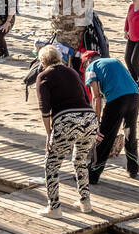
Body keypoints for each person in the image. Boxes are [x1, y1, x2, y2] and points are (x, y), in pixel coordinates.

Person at [35, 45, 97, 214]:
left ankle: (54, 207)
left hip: (66, 121)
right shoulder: (72, 72)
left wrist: (49, 135)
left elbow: (45, 110)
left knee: (52, 165)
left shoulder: (43, 76)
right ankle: (86, 202)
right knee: (80, 160)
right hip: (89, 119)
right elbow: (86, 97)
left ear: (43, 61)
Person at [85, 55, 139, 182]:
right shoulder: (115, 61)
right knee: (130, 132)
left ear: (88, 61)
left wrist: (96, 120)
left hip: (117, 100)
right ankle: (133, 168)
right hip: (134, 95)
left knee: (105, 136)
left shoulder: (91, 67)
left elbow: (96, 97)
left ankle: (93, 173)